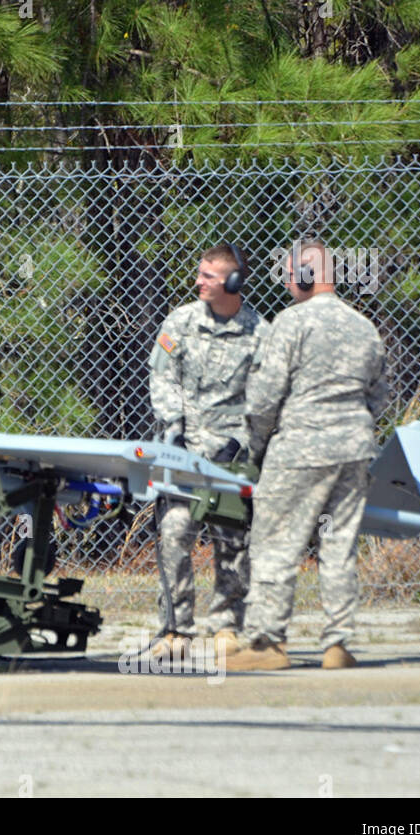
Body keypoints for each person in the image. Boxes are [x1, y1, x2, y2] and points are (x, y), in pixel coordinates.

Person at [224, 240, 388, 671]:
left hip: (300, 447)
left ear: (304, 277)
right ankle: (337, 644)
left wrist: (256, 447)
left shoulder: (290, 323)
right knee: (340, 545)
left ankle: (267, 642)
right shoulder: (365, 327)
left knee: (276, 543)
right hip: (354, 449)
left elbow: (264, 399)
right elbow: (379, 398)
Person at [147, 244, 268, 659]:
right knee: (173, 532)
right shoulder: (180, 322)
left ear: (232, 282)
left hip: (230, 456)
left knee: (232, 540)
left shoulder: (259, 333)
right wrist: (175, 431)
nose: (198, 281)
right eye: (200, 273)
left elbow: (265, 400)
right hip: (185, 453)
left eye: (208, 276)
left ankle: (225, 625)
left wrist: (241, 444)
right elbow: (162, 380)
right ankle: (175, 630)